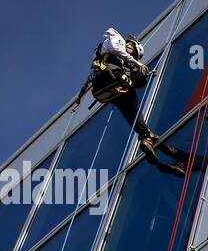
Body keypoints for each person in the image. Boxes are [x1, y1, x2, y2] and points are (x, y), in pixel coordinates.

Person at [73, 29, 183, 172]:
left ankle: (145, 138)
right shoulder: (116, 40)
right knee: (134, 107)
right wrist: (137, 64)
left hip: (109, 89)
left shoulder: (124, 64)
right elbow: (118, 51)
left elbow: (139, 82)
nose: (130, 51)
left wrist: (140, 74)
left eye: (133, 52)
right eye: (131, 48)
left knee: (131, 114)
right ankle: (146, 136)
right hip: (111, 80)